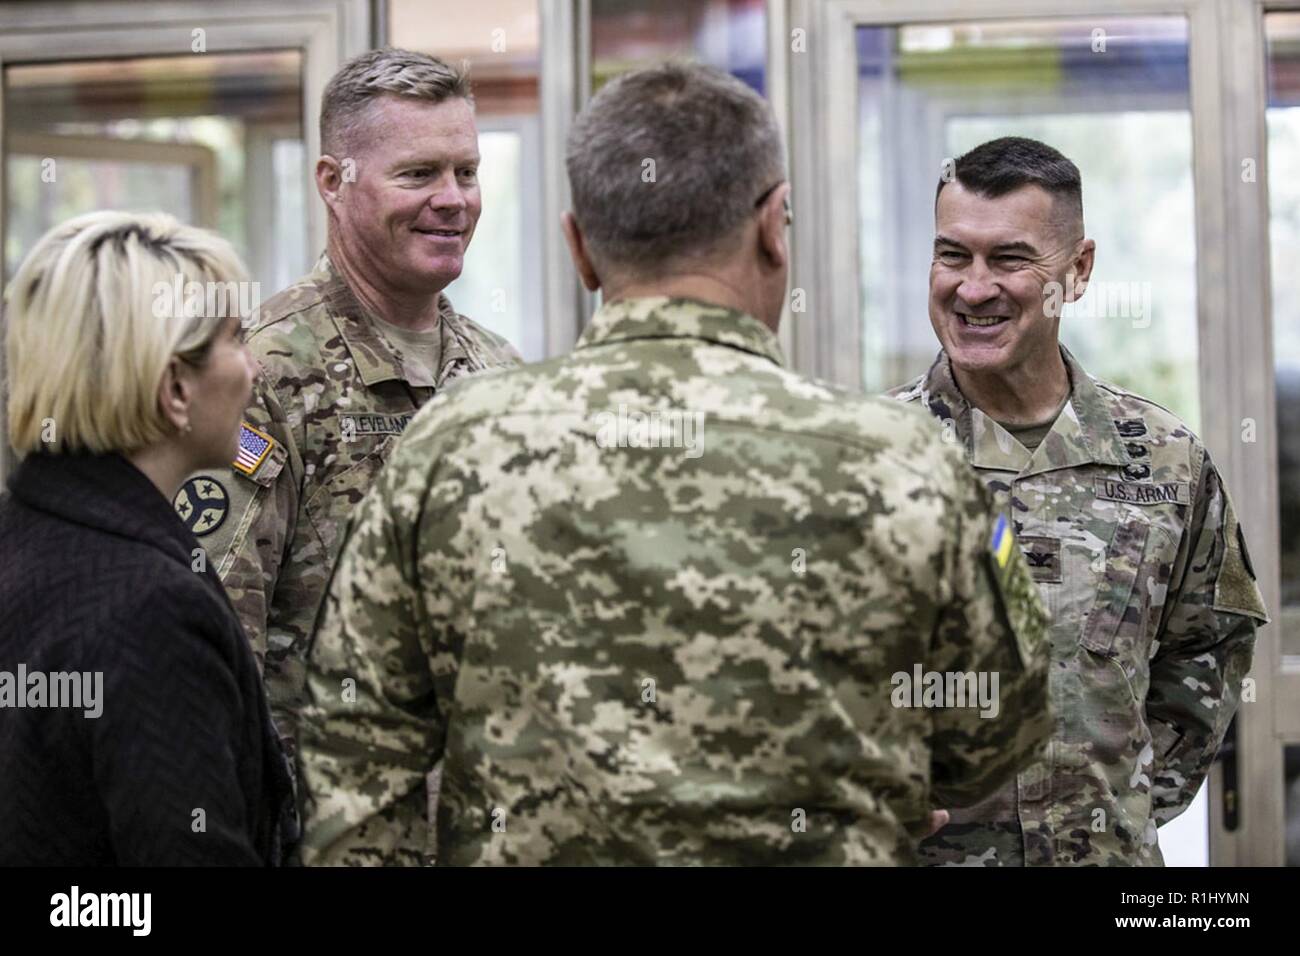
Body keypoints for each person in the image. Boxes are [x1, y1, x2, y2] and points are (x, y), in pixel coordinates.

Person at [297, 62, 1052, 866]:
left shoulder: (450, 448)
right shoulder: (906, 462)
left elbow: (356, 760)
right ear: (773, 225)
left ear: (580, 248)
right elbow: (994, 738)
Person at [889, 136, 1269, 865]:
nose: (972, 288)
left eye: (1008, 259)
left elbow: (1212, 642)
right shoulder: (867, 457)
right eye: (952, 255)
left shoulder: (1163, 459)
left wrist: (1121, 801)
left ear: (1077, 271)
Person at [177, 48, 523, 764]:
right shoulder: (259, 371)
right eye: (419, 173)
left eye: (467, 171)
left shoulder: (500, 371)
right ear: (334, 183)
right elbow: (214, 645)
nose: (454, 199)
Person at [0, 211, 295, 865]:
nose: (255, 369)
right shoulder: (150, 612)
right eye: (237, 339)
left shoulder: (29, 534)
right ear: (175, 388)